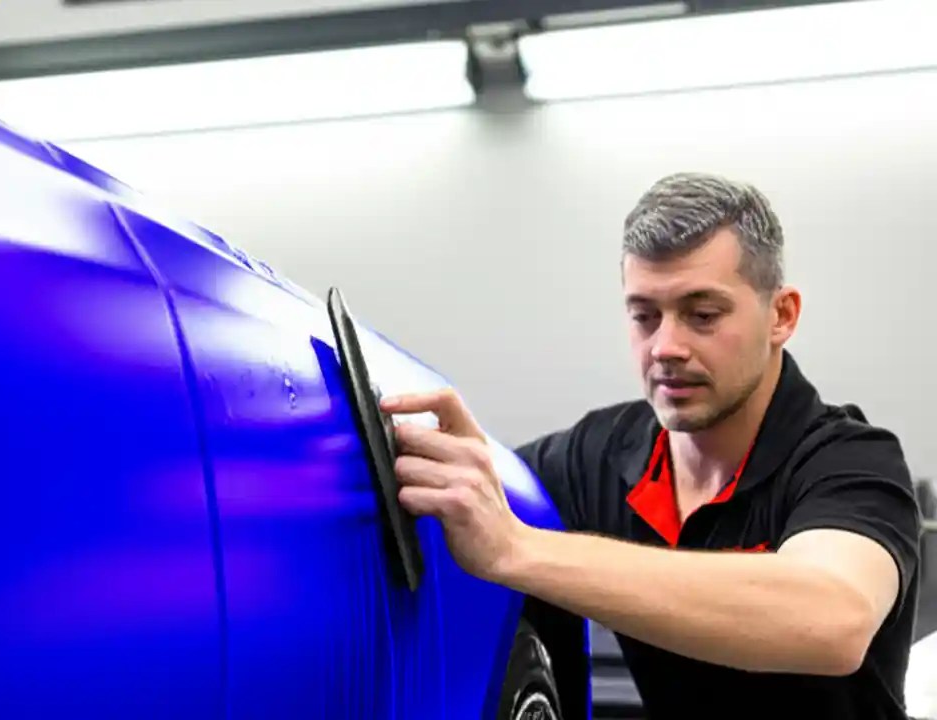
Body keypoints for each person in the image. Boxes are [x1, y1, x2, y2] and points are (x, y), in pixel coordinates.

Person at [381, 172, 923, 718]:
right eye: (644, 316)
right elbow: (468, 507)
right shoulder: (595, 456)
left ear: (781, 315)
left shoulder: (852, 461)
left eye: (702, 315)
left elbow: (830, 619)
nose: (665, 347)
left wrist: (516, 549)